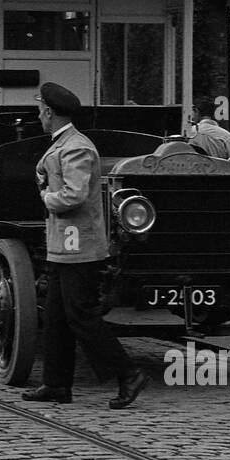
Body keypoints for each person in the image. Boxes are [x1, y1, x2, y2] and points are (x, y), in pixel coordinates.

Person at [22, 83, 148, 409]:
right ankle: (57, 384)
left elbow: (73, 195)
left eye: (40, 110)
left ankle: (128, 373)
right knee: (55, 317)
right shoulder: (65, 144)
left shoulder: (76, 147)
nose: (38, 115)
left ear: (49, 112)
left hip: (79, 246)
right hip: (64, 246)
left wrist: (46, 197)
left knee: (81, 316)